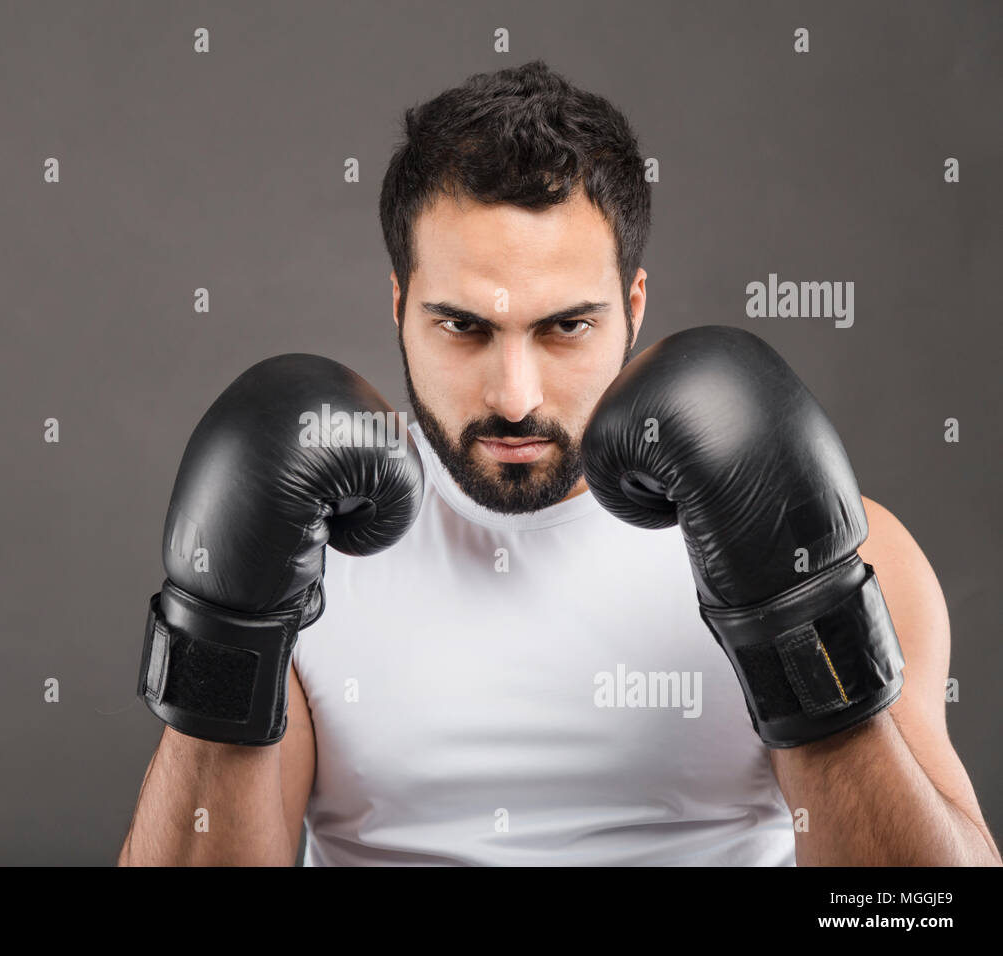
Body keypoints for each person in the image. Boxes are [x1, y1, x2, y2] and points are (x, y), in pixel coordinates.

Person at [118, 60, 1000, 866]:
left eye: (565, 326)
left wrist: (799, 613)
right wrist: (225, 633)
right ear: (399, 305)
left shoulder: (848, 548)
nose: (513, 394)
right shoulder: (313, 554)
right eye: (463, 326)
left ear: (633, 304)